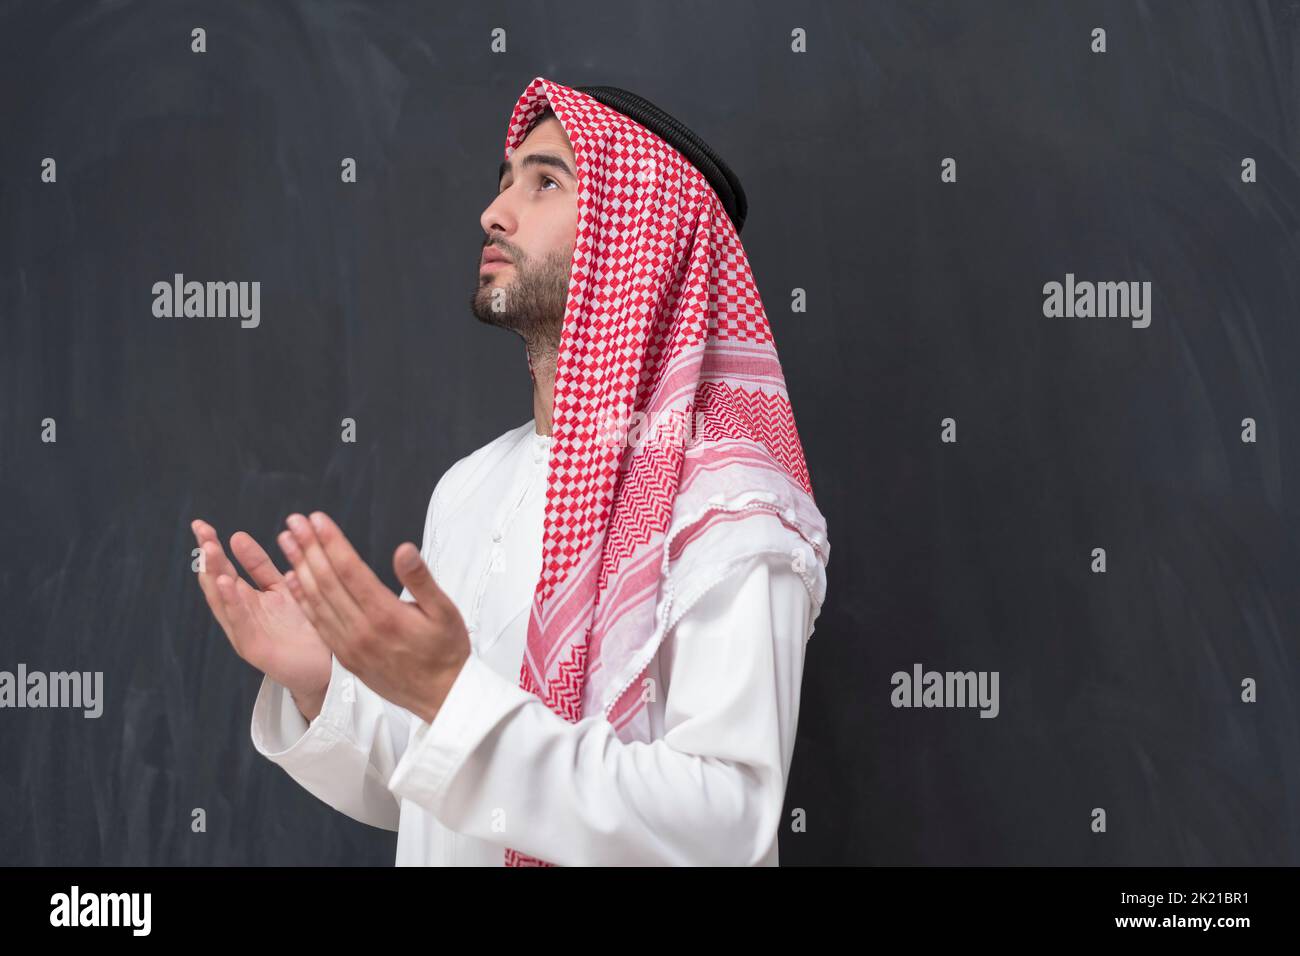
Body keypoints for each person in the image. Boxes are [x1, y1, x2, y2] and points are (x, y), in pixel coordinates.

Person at [191, 77, 830, 866]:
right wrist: (324, 679)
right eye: (504, 182)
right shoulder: (467, 488)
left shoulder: (726, 503)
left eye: (546, 181)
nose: (494, 214)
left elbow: (726, 823)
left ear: (635, 234)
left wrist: (454, 699)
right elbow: (444, 788)